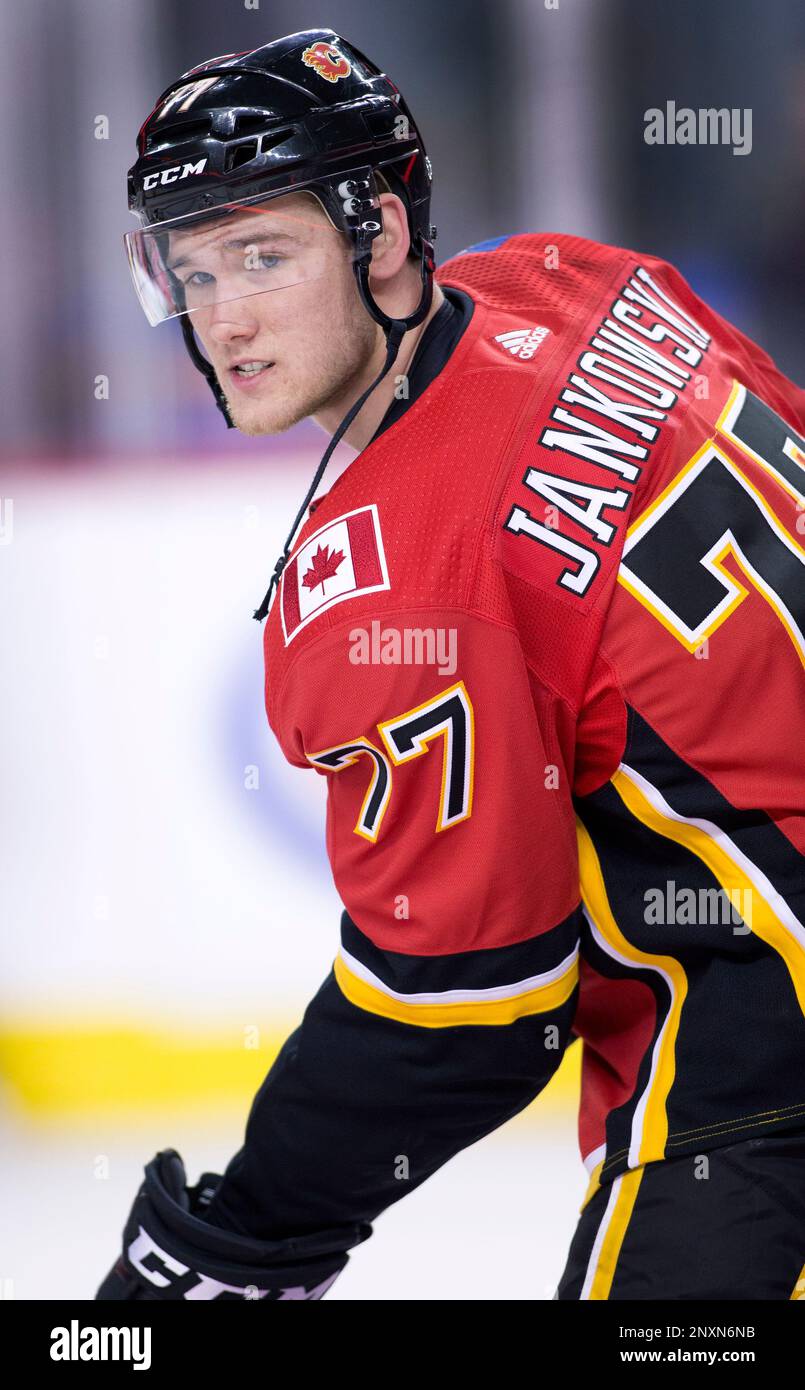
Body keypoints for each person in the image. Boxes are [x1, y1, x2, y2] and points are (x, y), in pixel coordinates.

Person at [97, 28, 805, 1301]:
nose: (225, 321)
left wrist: (240, 1240)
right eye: (192, 273)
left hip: (766, 1062)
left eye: (263, 255)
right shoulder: (574, 276)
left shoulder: (392, 581)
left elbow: (468, 1005)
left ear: (377, 233)